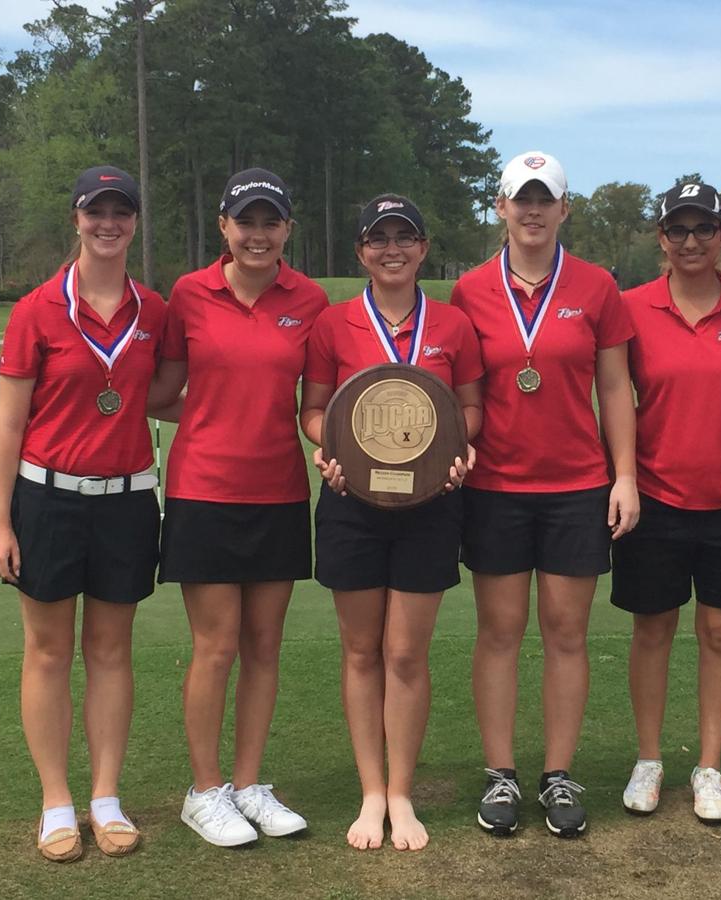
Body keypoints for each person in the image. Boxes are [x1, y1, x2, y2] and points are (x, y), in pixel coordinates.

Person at [451, 151, 639, 838]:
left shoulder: (596, 287)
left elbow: (615, 386)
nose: (532, 211)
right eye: (519, 198)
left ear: (565, 209)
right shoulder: (470, 291)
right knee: (499, 634)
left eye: (545, 199)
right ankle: (501, 774)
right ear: (499, 207)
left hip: (576, 486)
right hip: (495, 486)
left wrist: (625, 475)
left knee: (566, 635)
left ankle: (558, 774)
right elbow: (457, 392)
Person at [0, 166, 164, 861]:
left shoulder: (155, 311)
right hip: (48, 498)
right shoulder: (36, 309)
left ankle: (106, 798)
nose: (108, 223)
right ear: (76, 218)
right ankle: (56, 801)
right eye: (97, 212)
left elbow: (171, 392)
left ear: (135, 223)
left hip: (126, 499)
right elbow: (8, 423)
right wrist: (0, 521)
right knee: (50, 650)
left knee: (112, 650)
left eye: (121, 212)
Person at [148, 168, 328, 847]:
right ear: (224, 227)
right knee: (215, 646)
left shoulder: (308, 299)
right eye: (245, 221)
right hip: (204, 492)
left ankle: (250, 785)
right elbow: (158, 390)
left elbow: (319, 401)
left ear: (287, 229)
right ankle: (205, 790)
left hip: (280, 490)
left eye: (270, 221)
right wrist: (213, 413)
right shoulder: (190, 294)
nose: (258, 233)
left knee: (263, 647)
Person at [300, 195, 483, 851]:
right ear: (360, 251)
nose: (392, 249)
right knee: (360, 651)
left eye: (404, 237)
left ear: (423, 248)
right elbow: (315, 410)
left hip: (431, 506)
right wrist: (333, 452)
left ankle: (402, 794)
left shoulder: (454, 326)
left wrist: (461, 453)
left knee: (405, 654)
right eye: (378, 238)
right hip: (351, 504)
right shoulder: (334, 324)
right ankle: (370, 792)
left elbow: (468, 409)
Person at [612, 182, 721, 823]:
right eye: (677, 230)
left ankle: (709, 767)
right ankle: (650, 760)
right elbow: (615, 401)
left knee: (720, 633)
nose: (690, 242)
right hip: (653, 499)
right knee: (652, 630)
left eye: (703, 229)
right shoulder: (630, 310)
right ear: (661, 238)